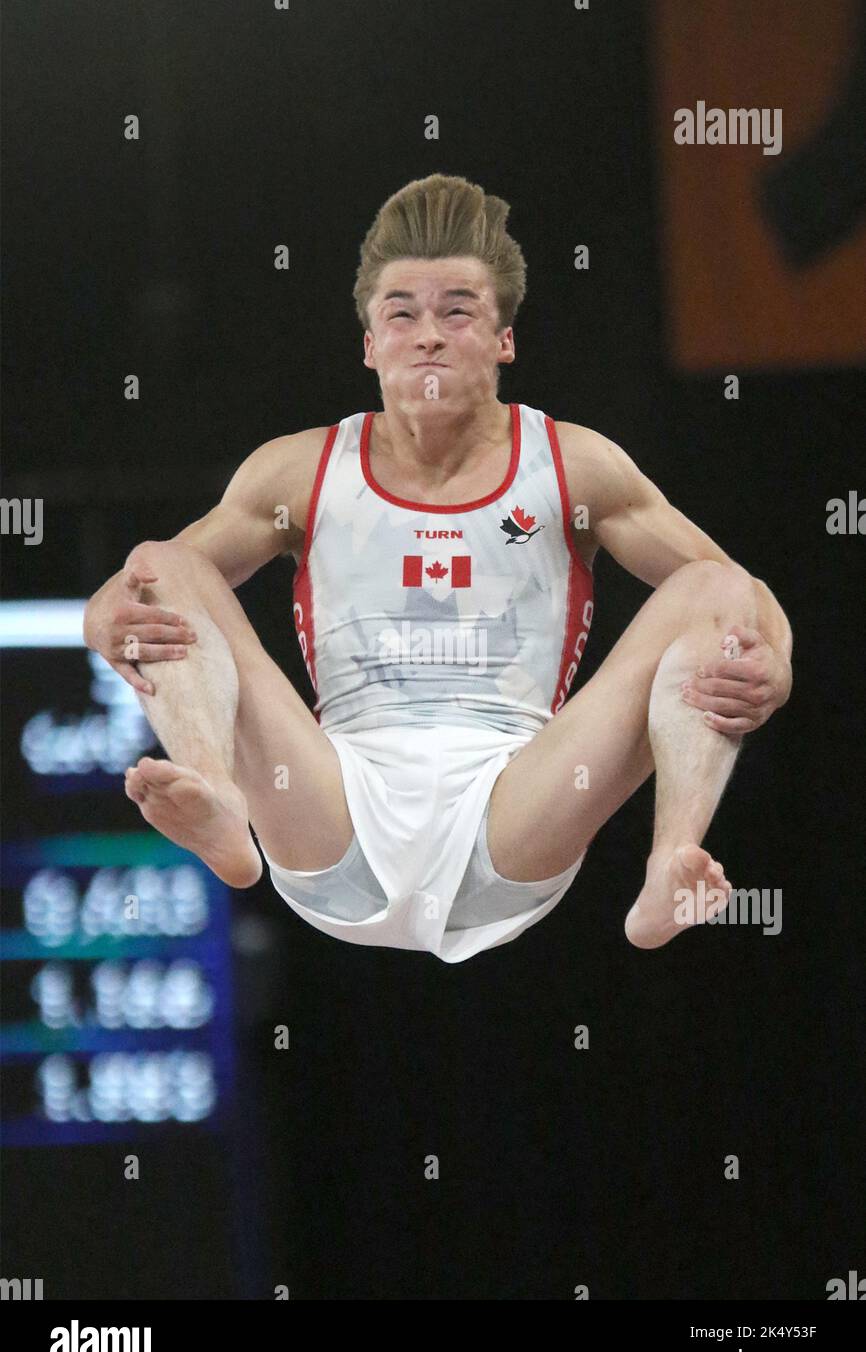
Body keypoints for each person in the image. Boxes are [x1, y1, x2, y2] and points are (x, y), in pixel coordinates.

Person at [83, 173, 793, 964]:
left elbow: (741, 598)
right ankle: (217, 796)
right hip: (331, 815)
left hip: (514, 816)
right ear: (370, 344)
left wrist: (777, 666)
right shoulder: (300, 472)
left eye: (457, 312)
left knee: (717, 589)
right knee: (161, 563)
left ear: (503, 339)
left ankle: (671, 861)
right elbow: (146, 585)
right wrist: (101, 616)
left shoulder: (574, 468)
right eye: (402, 314)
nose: (429, 336)